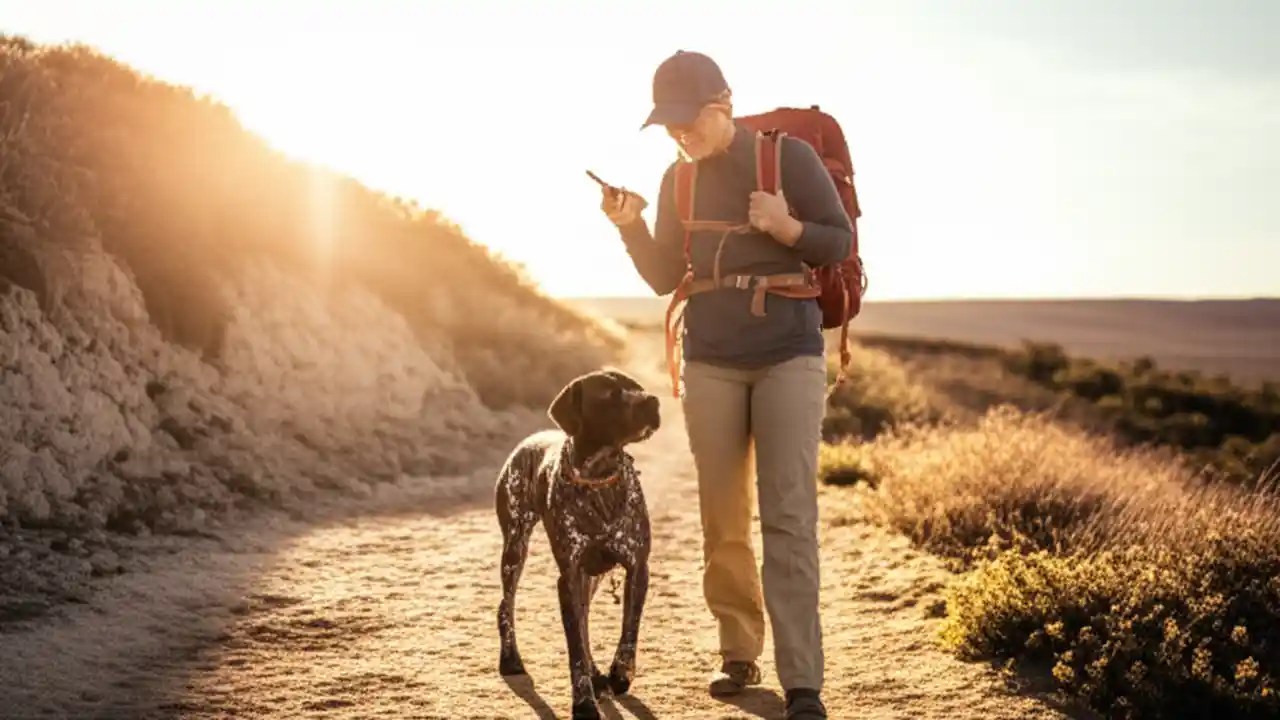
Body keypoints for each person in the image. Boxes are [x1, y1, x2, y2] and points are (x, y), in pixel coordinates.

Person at [599, 50, 853, 720]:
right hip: (709, 356)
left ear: (724, 104)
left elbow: (838, 240)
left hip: (787, 355)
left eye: (689, 119)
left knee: (788, 514)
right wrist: (629, 227)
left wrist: (787, 226)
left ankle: (803, 680)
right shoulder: (675, 181)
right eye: (668, 123)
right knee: (723, 514)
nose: (680, 133)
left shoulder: (787, 159)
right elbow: (661, 275)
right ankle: (738, 651)